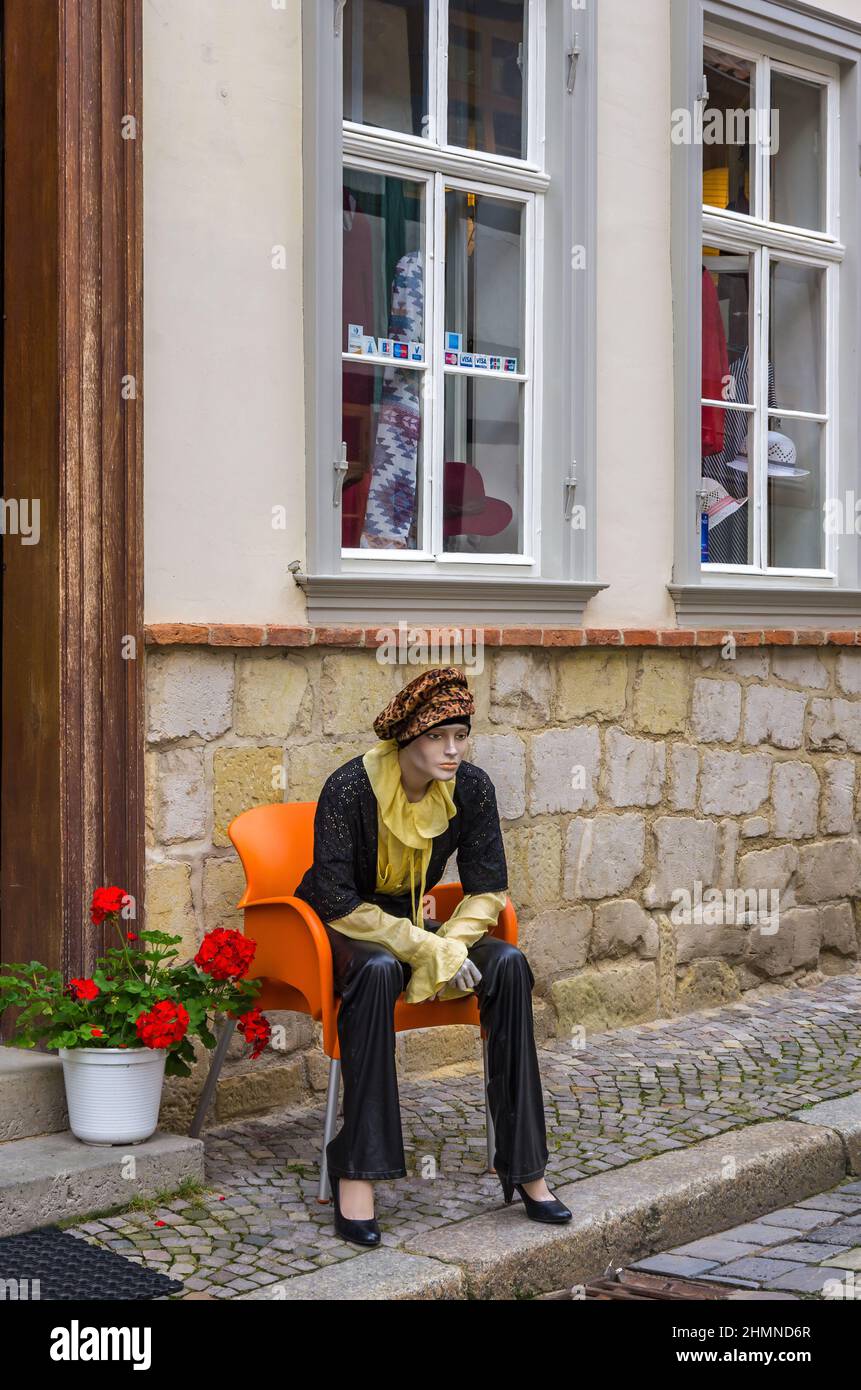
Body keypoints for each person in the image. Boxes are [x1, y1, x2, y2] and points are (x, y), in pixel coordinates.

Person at [294, 665, 572, 1245]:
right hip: (345, 923)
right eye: (437, 738)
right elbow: (335, 898)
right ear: (407, 741)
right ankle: (357, 1174)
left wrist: (449, 946)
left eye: (461, 735)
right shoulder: (349, 788)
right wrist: (426, 947)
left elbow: (488, 887)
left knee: (509, 965)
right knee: (373, 970)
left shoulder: (470, 787)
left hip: (418, 920)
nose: (452, 750)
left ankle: (526, 1169)